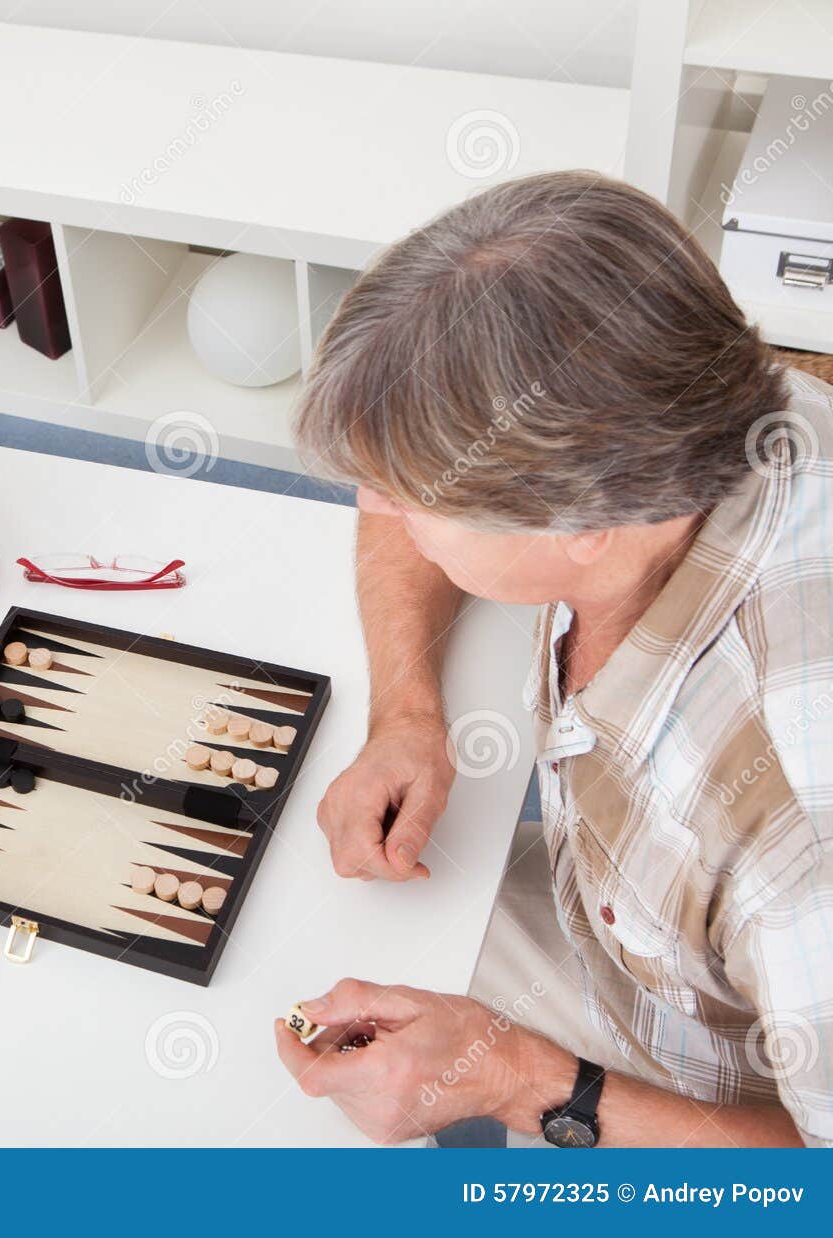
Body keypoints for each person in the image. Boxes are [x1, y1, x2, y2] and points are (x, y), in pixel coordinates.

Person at [277, 169, 832, 1147]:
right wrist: (404, 707)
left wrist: (519, 1079)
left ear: (586, 519)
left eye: (414, 494)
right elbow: (389, 492)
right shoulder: (681, 383)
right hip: (628, 937)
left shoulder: (798, 839)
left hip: (730, 1109)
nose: (378, 512)